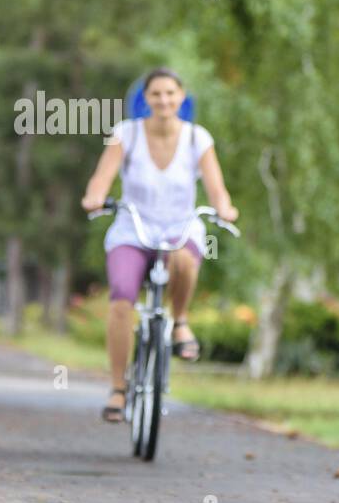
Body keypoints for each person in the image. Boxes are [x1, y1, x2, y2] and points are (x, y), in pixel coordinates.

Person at [80, 68, 239, 422]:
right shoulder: (126, 134)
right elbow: (100, 180)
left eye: (170, 93)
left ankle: (180, 321)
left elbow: (216, 189)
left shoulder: (198, 139)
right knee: (122, 298)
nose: (164, 100)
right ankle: (118, 390)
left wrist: (225, 209)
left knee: (184, 259)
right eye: (156, 94)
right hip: (133, 228)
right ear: (145, 100)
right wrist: (94, 198)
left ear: (182, 98)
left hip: (179, 227)